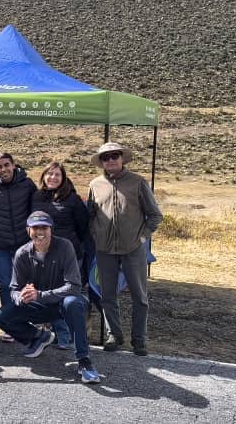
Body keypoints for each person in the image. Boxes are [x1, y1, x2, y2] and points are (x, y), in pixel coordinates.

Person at [0, 211, 100, 384]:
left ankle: (84, 362)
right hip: (38, 305)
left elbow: (74, 286)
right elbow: (13, 288)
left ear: (51, 229)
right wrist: (21, 297)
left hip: (62, 303)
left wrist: (40, 295)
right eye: (35, 228)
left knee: (73, 303)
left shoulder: (65, 247)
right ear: (28, 230)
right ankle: (39, 337)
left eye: (44, 227)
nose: (39, 232)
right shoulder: (22, 253)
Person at [86, 142, 163, 356]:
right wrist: (97, 234)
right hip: (105, 250)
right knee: (107, 294)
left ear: (122, 158)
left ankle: (139, 339)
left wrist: (141, 238)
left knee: (139, 296)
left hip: (133, 249)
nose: (110, 160)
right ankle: (115, 335)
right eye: (106, 157)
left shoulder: (138, 183)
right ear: (101, 162)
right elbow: (91, 215)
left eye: (114, 156)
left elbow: (155, 215)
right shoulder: (95, 185)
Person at [32, 161, 90, 350]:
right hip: (43, 253)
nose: (53, 178)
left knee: (68, 293)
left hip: (69, 253)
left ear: (63, 178)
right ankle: (61, 333)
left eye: (57, 174)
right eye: (49, 174)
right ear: (43, 176)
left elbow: (83, 227)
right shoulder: (37, 197)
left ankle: (69, 335)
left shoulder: (72, 199)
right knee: (48, 293)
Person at [0, 152, 36, 313]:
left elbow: (35, 209)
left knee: (25, 282)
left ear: (14, 165)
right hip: (0, 246)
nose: (3, 169)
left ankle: (25, 319)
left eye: (7, 165)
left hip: (24, 243)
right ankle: (9, 319)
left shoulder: (27, 184)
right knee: (6, 283)